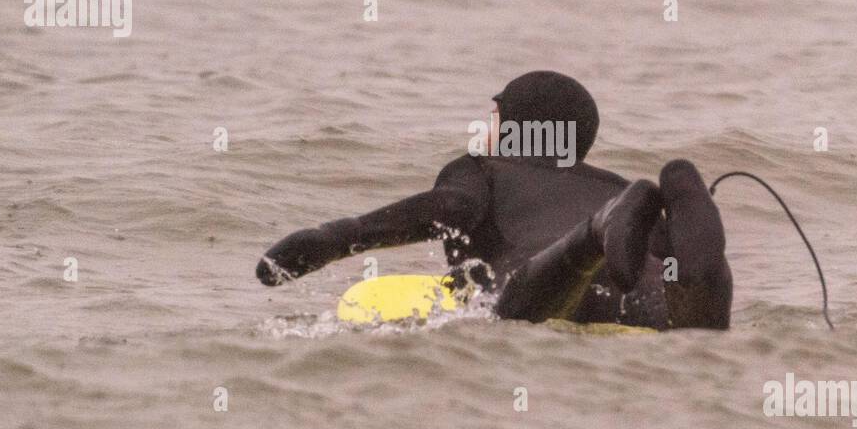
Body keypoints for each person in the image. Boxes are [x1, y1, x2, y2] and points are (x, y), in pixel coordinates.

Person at [256, 71, 732, 329]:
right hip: (641, 295)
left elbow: (447, 210)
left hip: (547, 284)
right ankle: (688, 215)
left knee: (528, 302)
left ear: (511, 126)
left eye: (494, 115)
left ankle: (593, 235)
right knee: (677, 310)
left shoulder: (483, 170)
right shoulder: (619, 187)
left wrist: (333, 239)